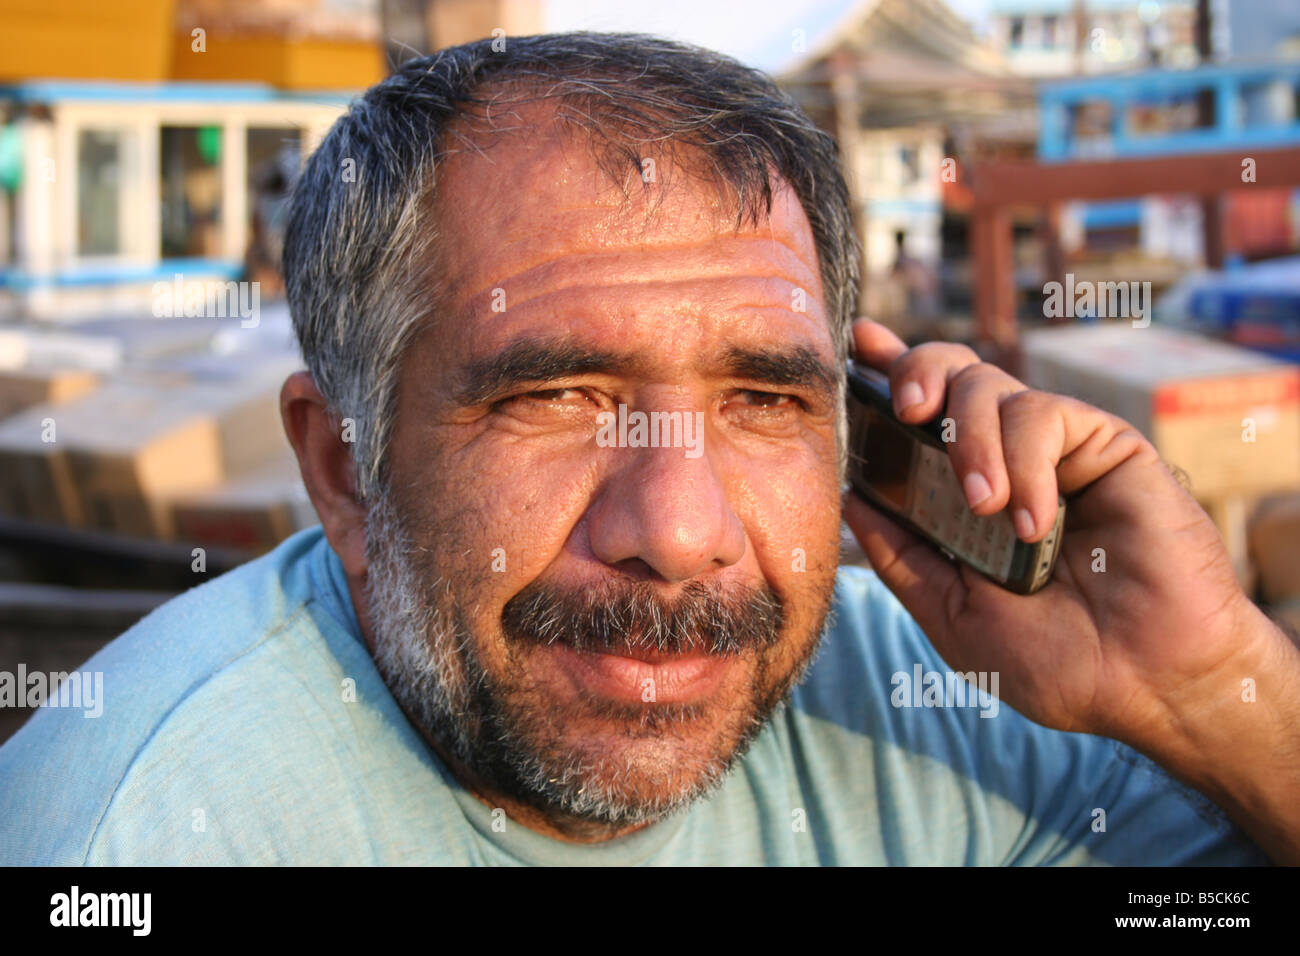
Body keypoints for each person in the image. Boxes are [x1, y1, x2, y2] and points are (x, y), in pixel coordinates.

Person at [2, 33, 1297, 866]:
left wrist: (1208, 692)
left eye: (763, 401)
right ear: (345, 468)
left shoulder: (953, 700)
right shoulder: (140, 837)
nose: (679, 529)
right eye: (557, 395)